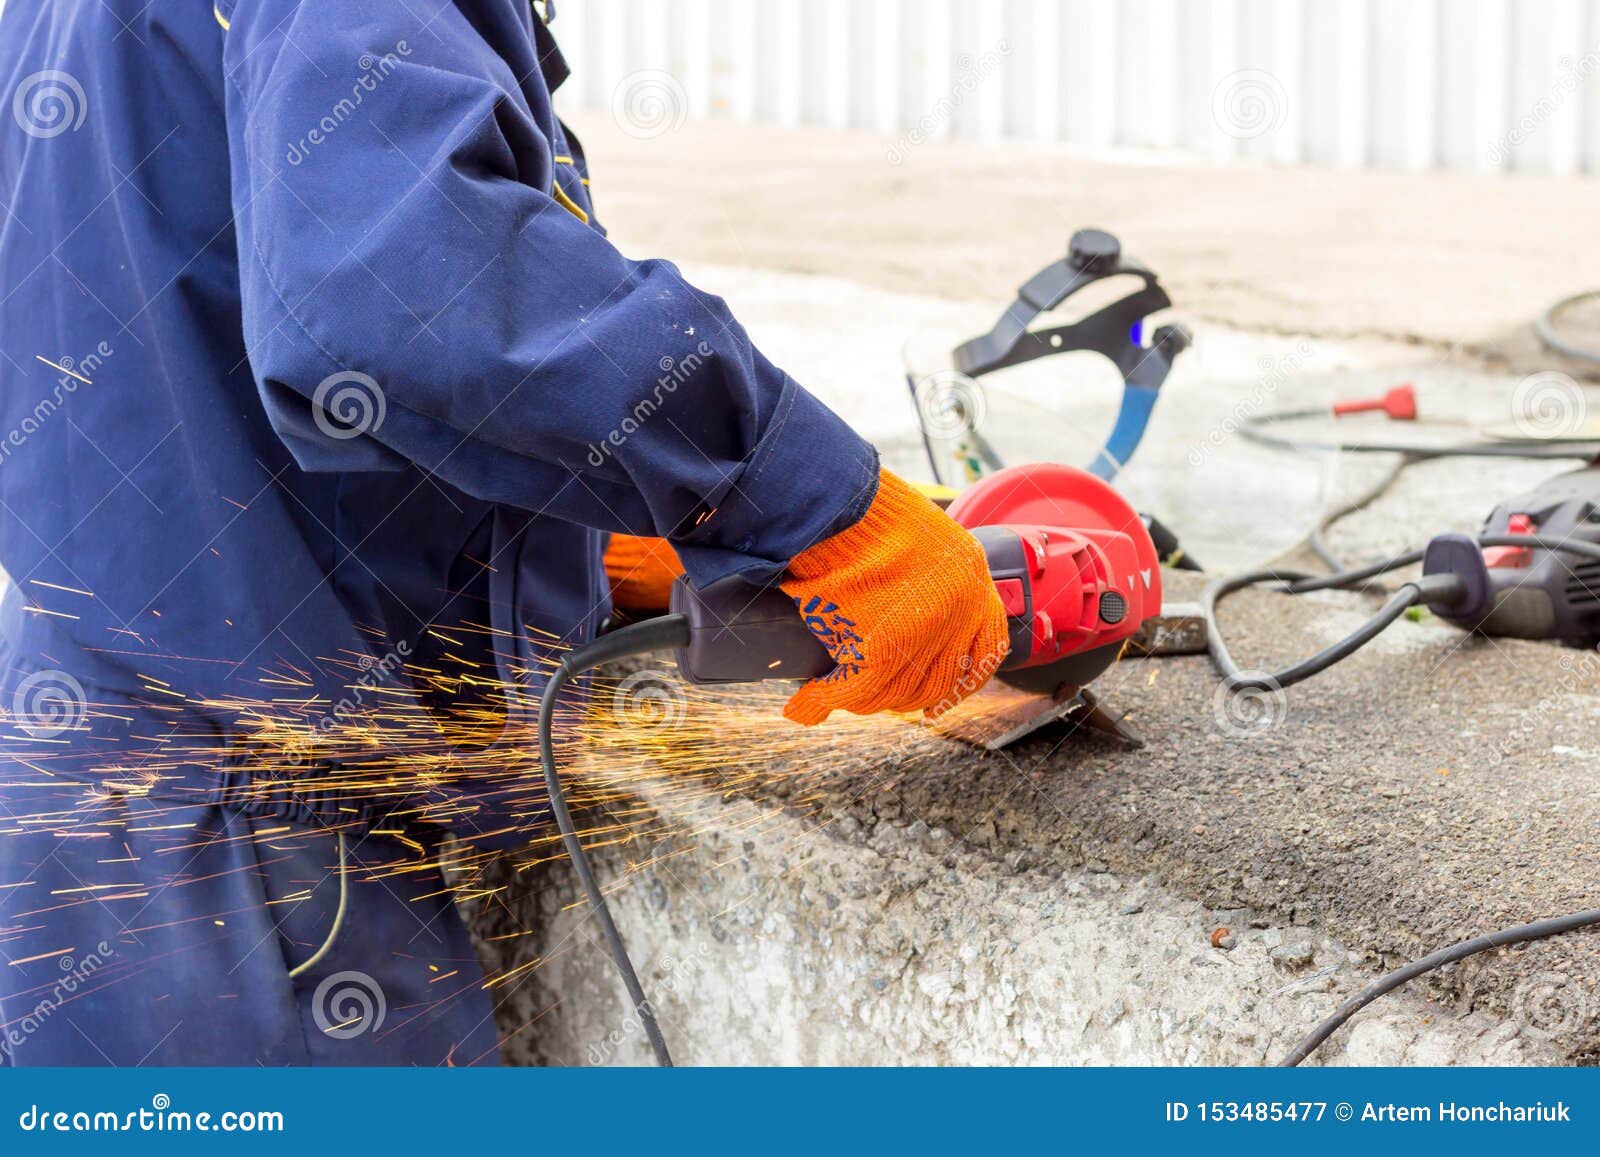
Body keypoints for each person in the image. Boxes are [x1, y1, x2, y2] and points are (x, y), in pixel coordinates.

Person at [0, 1, 1005, 1066]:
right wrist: (806, 499)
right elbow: (398, 281)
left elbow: (172, 319)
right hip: (261, 884)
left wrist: (574, 534)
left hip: (84, 798)